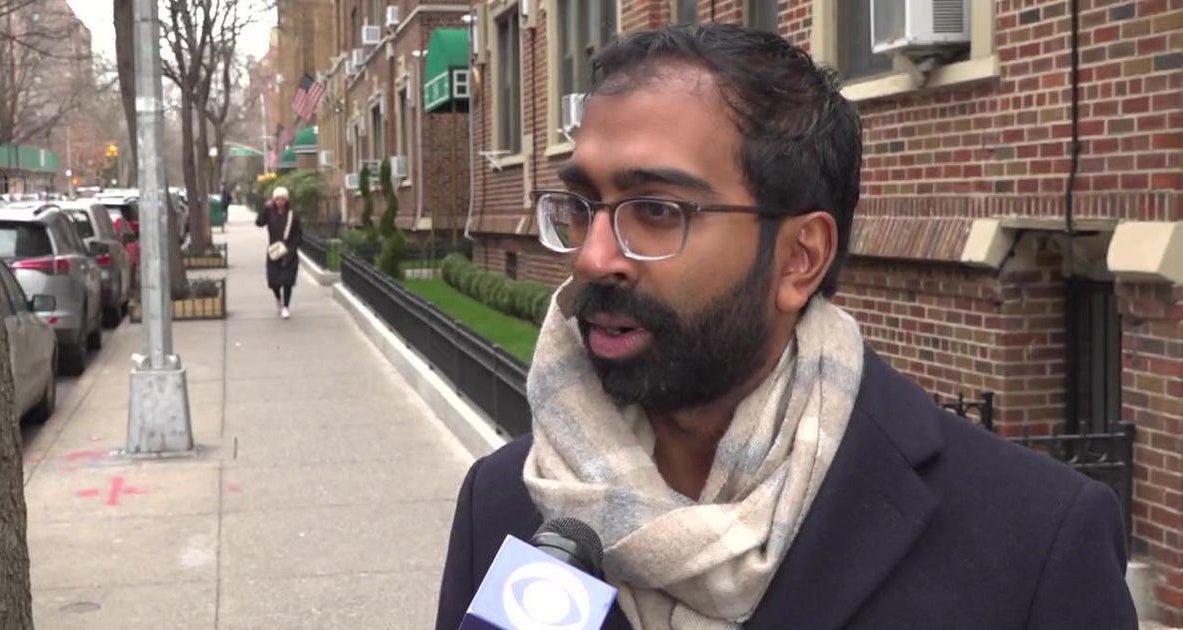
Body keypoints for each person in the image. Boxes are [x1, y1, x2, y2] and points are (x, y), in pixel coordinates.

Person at [435, 24, 1137, 630]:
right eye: (584, 206)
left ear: (801, 258)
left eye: (657, 211)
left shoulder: (1032, 540)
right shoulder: (505, 502)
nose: (592, 258)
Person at [256, 186, 302, 319]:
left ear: (286, 200)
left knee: (287, 281)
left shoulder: (292, 215)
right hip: (274, 251)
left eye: (282, 199)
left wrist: (292, 248)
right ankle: (278, 298)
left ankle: (286, 306)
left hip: (289, 252)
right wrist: (265, 209)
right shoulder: (270, 213)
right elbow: (259, 223)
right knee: (273, 282)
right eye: (277, 199)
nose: (280, 202)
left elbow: (298, 234)